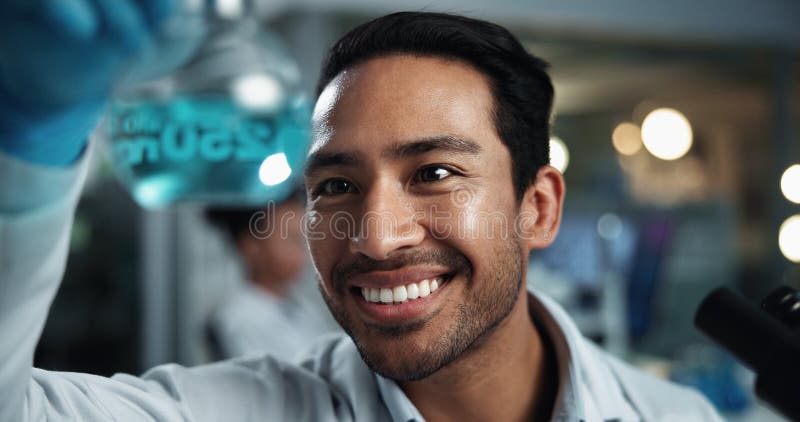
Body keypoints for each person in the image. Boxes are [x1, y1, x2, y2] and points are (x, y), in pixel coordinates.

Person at [0, 3, 723, 421]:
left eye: (435, 173)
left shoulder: (676, 418)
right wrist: (27, 138)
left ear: (537, 208)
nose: (375, 237)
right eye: (336, 187)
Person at [204, 195, 339, 361]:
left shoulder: (303, 308)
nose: (303, 254)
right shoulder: (238, 320)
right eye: (292, 241)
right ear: (251, 246)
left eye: (303, 241)